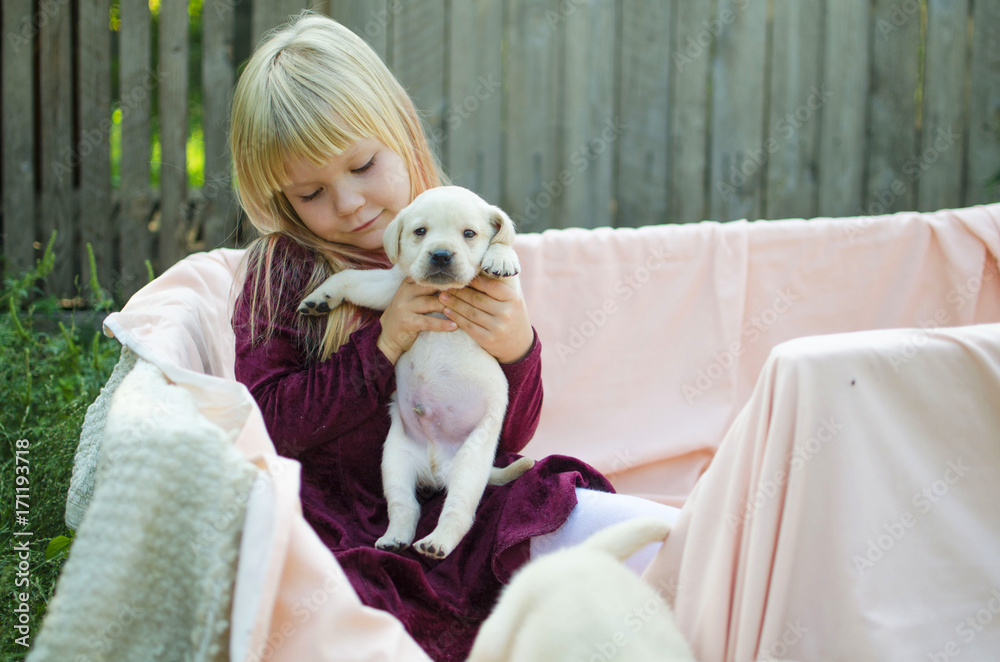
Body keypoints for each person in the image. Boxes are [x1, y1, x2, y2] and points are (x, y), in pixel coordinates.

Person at [229, 12, 678, 661]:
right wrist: (380, 345)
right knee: (348, 614)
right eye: (312, 193)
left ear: (402, 132)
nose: (350, 203)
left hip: (473, 510)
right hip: (353, 525)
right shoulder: (286, 270)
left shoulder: (456, 234)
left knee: (645, 540)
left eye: (362, 165)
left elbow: (507, 434)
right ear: (280, 198)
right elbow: (266, 420)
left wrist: (516, 347)